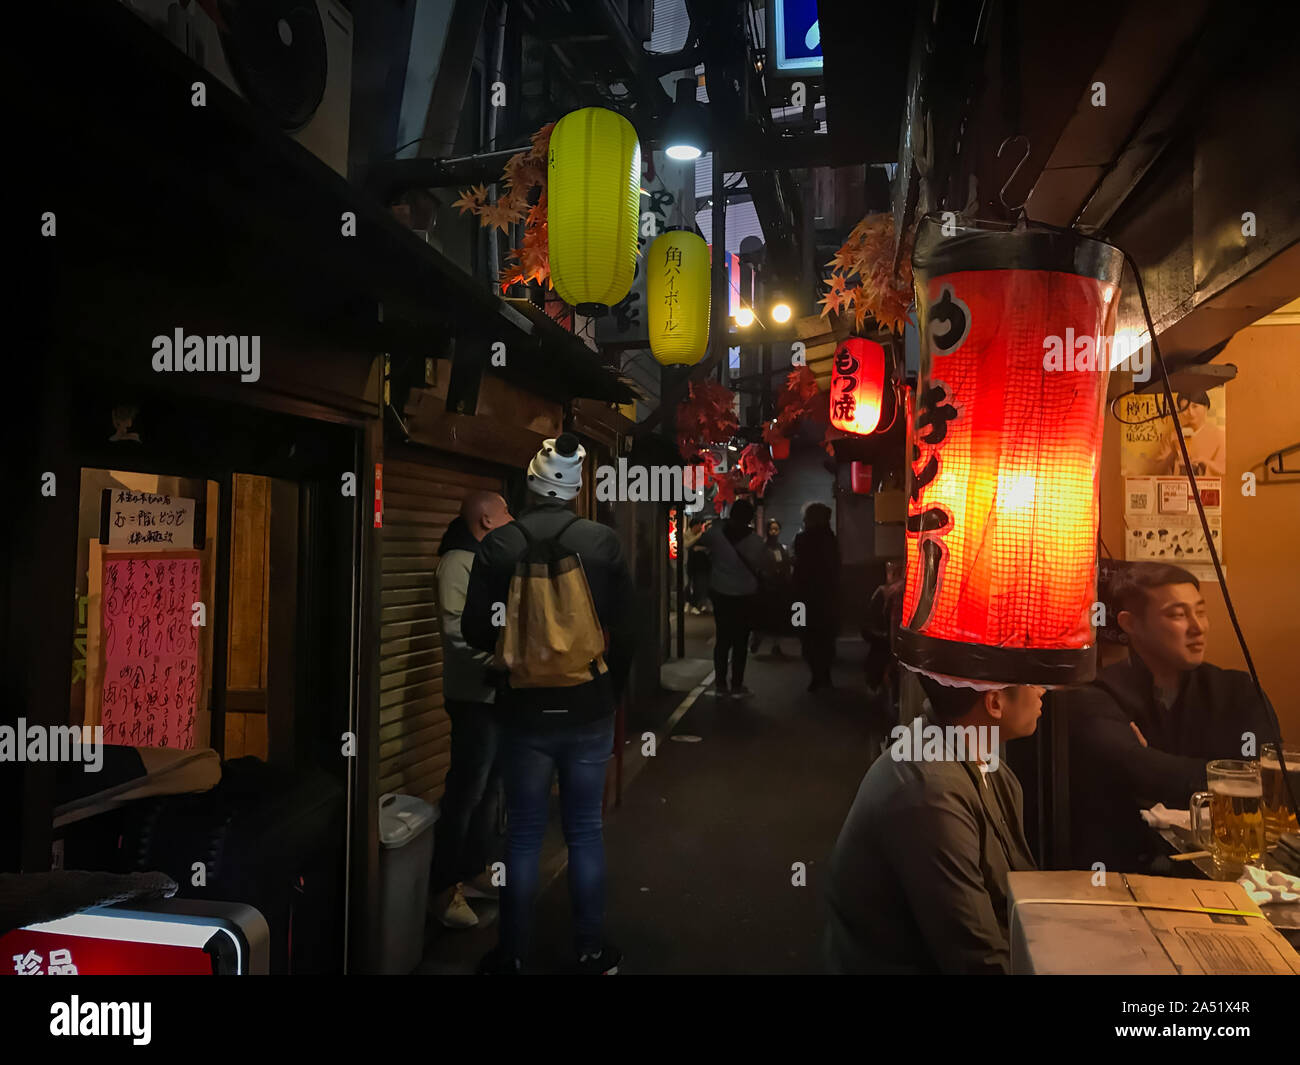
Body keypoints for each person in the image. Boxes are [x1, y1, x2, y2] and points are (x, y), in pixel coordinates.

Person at [462, 434, 636, 974]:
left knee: (524, 834)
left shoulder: (498, 546)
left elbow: (474, 627)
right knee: (584, 829)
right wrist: (612, 691)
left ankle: (510, 954)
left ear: (529, 483)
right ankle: (589, 951)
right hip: (589, 706)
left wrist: (515, 652)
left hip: (523, 711)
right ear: (575, 488)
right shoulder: (602, 542)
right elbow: (627, 630)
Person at [824, 673, 1044, 974]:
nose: (1042, 690)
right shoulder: (930, 793)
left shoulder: (985, 764)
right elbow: (976, 959)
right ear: (994, 702)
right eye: (1031, 682)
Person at [1068, 562, 1275, 872]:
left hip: (1240, 870)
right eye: (1178, 614)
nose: (1198, 627)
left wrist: (1152, 759)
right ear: (1130, 624)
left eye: (1201, 612)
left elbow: (1269, 780)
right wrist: (1227, 775)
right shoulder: (1098, 693)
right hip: (1125, 873)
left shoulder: (1238, 690)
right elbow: (1131, 769)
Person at [430, 491, 513, 929]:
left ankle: (475, 872)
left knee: (489, 791)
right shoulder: (458, 563)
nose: (512, 520)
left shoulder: (484, 559)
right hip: (472, 697)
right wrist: (501, 663)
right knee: (465, 793)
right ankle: (443, 891)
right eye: (505, 514)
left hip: (495, 695)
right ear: (486, 518)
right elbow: (456, 633)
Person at [698, 499, 771, 698]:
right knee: (740, 641)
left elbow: (700, 541)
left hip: (721, 593)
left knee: (722, 639)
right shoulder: (756, 542)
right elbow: (765, 566)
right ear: (749, 518)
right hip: (746, 595)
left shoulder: (716, 534)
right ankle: (737, 685)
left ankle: (720, 685)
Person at [793, 502, 840, 691]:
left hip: (804, 596)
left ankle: (816, 675)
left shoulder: (802, 540)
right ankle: (825, 674)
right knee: (826, 636)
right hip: (827, 596)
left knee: (806, 634)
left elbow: (799, 567)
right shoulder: (831, 539)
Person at [1154, 391, 1225, 477]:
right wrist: (1172, 455)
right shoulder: (1174, 435)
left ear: (1206, 407)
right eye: (1184, 408)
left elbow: (1225, 470)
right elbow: (1156, 470)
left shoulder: (1220, 436)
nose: (1190, 412)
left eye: (1194, 406)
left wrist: (1204, 462)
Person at [750, 519, 792, 656]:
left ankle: (776, 644)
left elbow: (785, 563)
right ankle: (758, 639)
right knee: (765, 616)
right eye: (771, 529)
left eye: (776, 529)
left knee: (777, 617)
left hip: (779, 586)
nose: (774, 532)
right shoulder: (763, 548)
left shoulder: (780, 548)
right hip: (766, 586)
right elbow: (758, 566)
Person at [683, 518, 712, 614]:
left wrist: (701, 548)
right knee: (689, 584)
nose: (701, 527)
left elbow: (709, 547)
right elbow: (687, 545)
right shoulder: (686, 535)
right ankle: (690, 603)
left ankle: (697, 604)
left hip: (701, 565)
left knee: (700, 585)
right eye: (700, 525)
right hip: (689, 564)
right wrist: (700, 535)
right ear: (695, 526)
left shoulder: (703, 537)